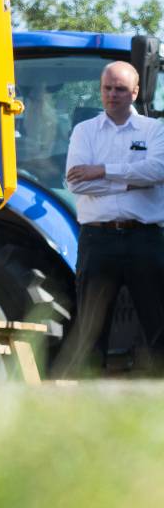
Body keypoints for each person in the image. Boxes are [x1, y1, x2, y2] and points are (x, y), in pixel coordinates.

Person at [54, 60, 164, 378]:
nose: (113, 95)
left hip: (144, 238)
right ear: (100, 90)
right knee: (90, 325)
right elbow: (76, 182)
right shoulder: (84, 131)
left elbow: (157, 171)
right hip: (97, 240)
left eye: (120, 89)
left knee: (157, 321)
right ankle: (90, 390)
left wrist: (102, 171)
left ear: (135, 92)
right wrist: (133, 180)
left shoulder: (154, 130)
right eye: (107, 88)